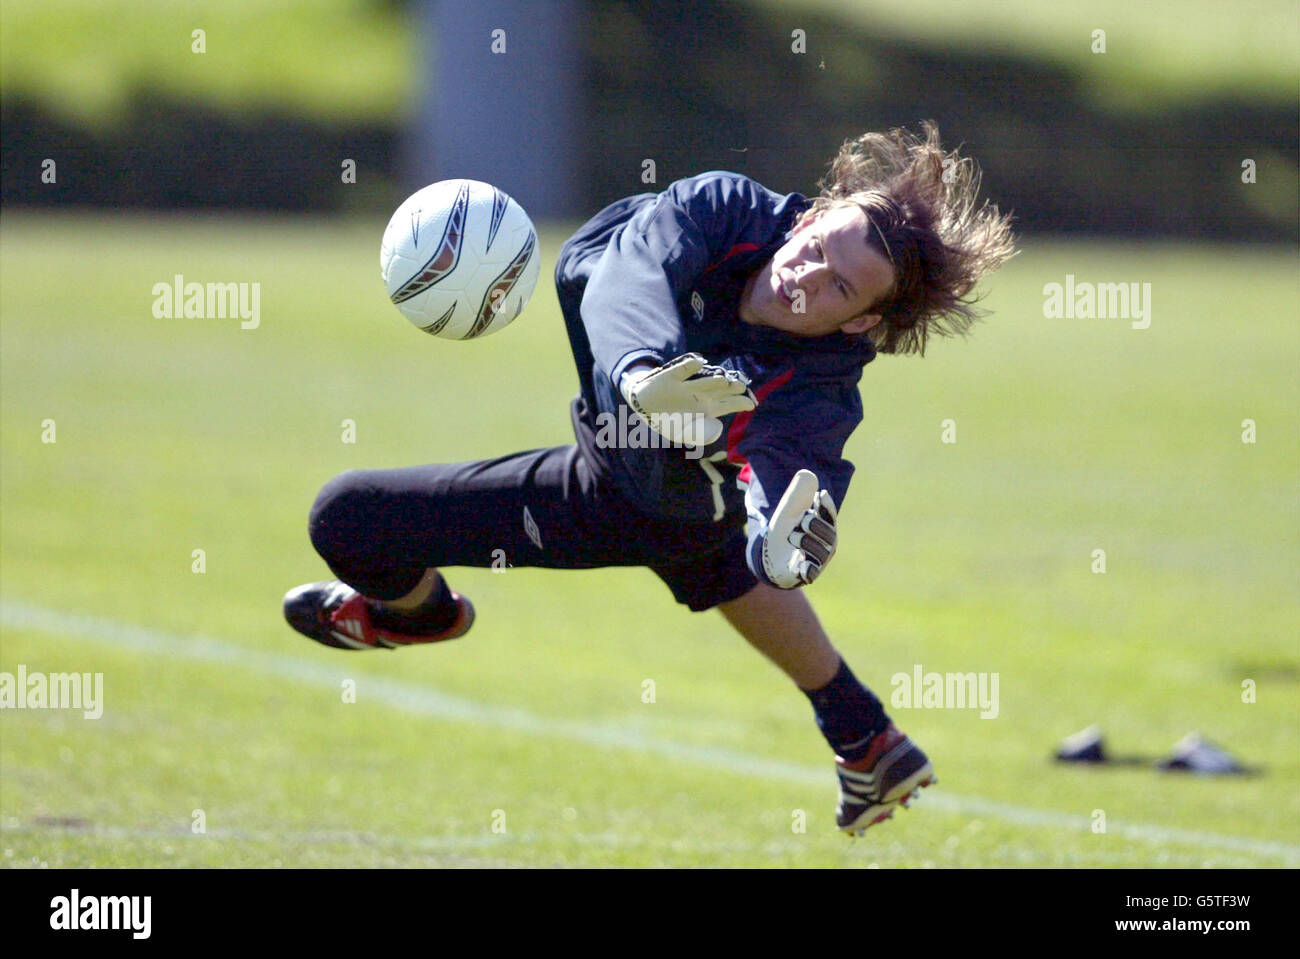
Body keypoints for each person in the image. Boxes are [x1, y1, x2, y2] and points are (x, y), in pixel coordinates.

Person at [283, 121, 1017, 835]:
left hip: (636, 490)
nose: (806, 278)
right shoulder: (724, 208)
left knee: (345, 517)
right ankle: (866, 738)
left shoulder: (817, 386)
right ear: (813, 216)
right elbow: (626, 276)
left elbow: (793, 472)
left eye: (839, 289)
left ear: (860, 323)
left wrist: (785, 539)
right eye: (819, 248)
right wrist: (643, 373)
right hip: (637, 429)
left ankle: (421, 616)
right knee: (708, 555)